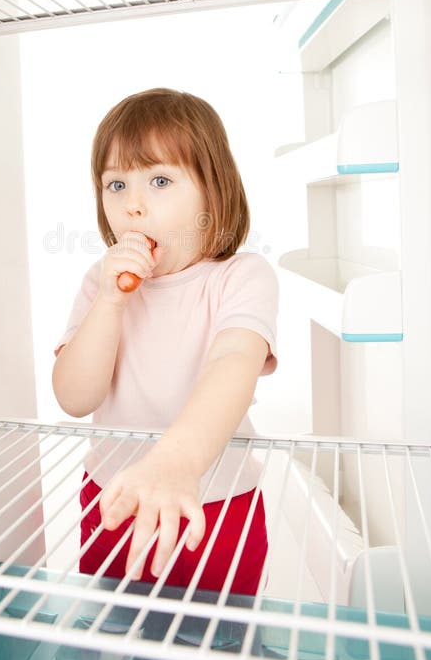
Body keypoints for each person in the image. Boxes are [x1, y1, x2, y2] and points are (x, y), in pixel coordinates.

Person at [52, 87, 278, 595]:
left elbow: (234, 360)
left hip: (214, 505)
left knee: (221, 633)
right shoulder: (100, 282)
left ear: (212, 192)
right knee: (112, 625)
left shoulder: (241, 277)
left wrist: (177, 463)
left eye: (159, 181)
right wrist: (110, 302)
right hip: (114, 498)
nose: (132, 205)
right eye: (115, 184)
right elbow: (74, 398)